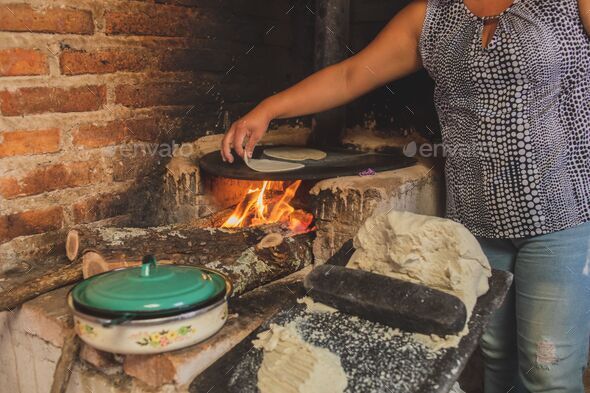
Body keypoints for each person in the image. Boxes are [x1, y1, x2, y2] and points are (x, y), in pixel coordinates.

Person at [221, 1, 590, 391]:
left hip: (561, 215)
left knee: (548, 370)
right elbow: (349, 75)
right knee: (496, 359)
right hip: (476, 224)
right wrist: (267, 109)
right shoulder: (431, 17)